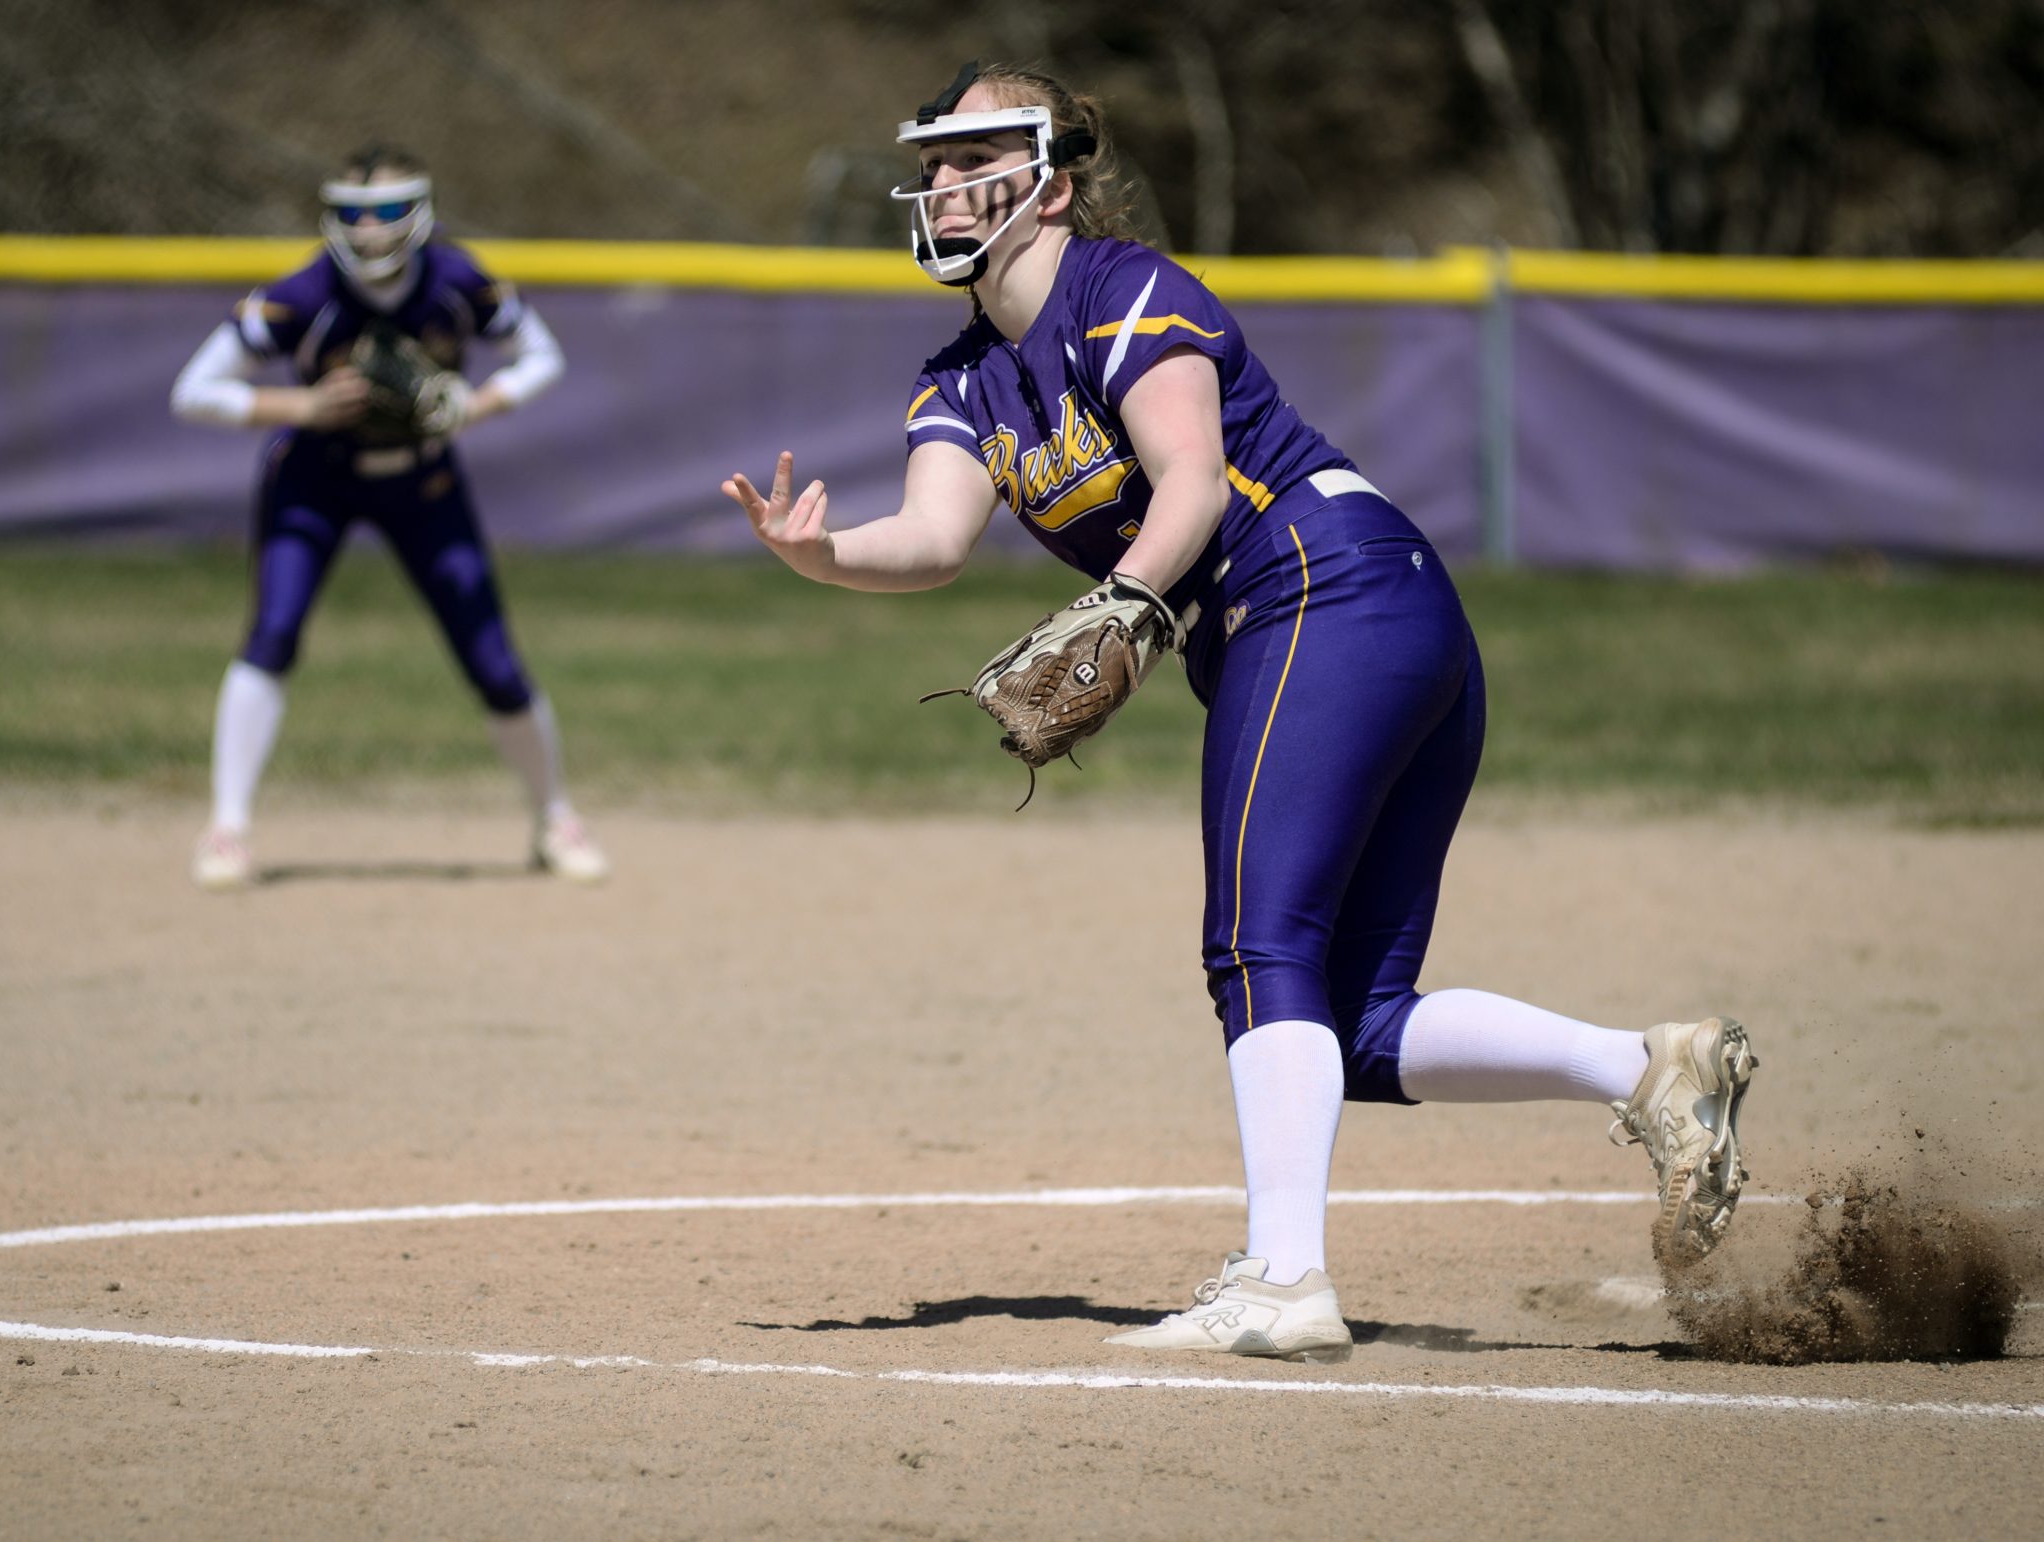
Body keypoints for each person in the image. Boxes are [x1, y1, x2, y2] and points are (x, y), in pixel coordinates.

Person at [722, 64, 1756, 1363]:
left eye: (974, 155)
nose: (943, 183)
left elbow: (1194, 481)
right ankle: (1654, 1069)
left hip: (1332, 589)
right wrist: (822, 556)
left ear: (1049, 179)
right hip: (1348, 620)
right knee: (1355, 1020)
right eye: (933, 160)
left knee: (1257, 946)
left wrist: (1121, 604)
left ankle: (1283, 1278)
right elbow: (932, 534)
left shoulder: (1126, 292)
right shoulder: (964, 379)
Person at [171, 145, 608, 888]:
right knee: (272, 634)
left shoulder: (456, 281)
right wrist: (301, 406)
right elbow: (195, 389)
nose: (369, 232)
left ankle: (554, 819)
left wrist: (479, 403)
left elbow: (543, 356)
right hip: (316, 475)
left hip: (423, 481)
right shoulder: (303, 295)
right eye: (352, 214)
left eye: (386, 213)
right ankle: (227, 830)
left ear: (421, 210)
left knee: (493, 659)